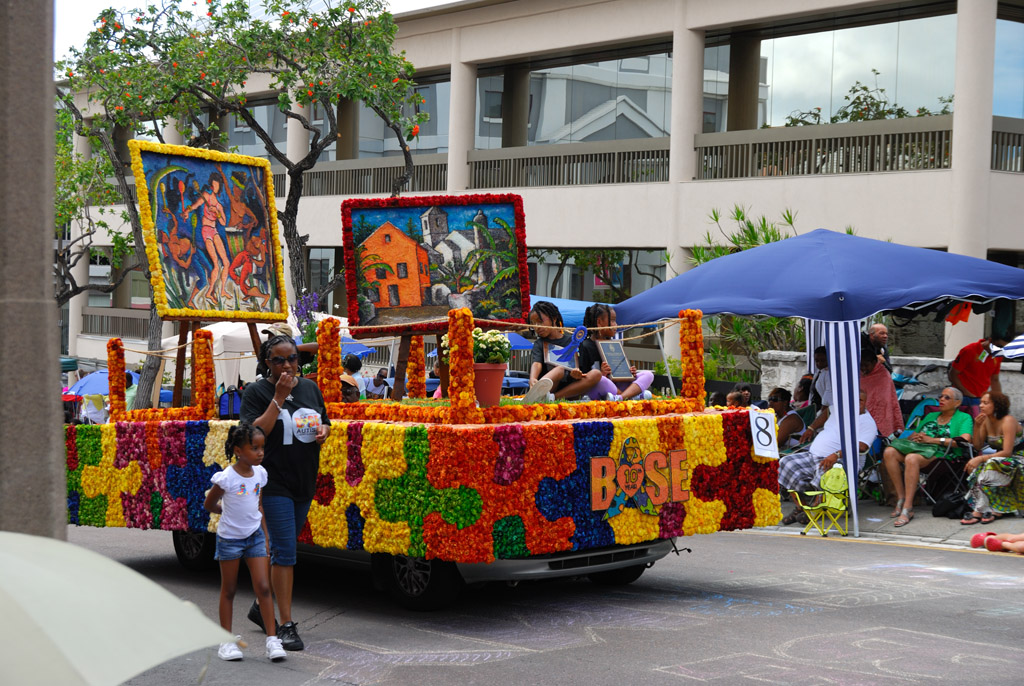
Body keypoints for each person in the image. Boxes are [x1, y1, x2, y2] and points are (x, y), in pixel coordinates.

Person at [241, 334, 331, 651]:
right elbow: (254, 434)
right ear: (267, 363)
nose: (288, 365)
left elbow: (325, 421)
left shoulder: (309, 388)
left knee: (284, 550)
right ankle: (286, 625)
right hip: (273, 481)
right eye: (279, 360)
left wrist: (323, 431)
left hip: (304, 479)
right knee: (286, 552)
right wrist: (278, 397)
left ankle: (258, 605)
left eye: (292, 358)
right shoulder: (256, 392)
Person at [203, 422, 286, 662]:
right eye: (254, 448)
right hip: (230, 539)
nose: (260, 452)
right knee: (229, 590)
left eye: (262, 447)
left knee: (263, 587)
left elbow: (258, 506)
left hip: (255, 537)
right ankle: (226, 641)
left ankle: (272, 640)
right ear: (238, 450)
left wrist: (266, 537)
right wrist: (227, 513)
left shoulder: (261, 474)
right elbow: (210, 504)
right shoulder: (226, 478)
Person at [778, 389, 876, 525]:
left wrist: (836, 455)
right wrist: (811, 428)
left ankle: (816, 510)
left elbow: (862, 447)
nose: (856, 403)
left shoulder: (867, 422)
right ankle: (800, 508)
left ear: (865, 402)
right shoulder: (839, 409)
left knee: (825, 469)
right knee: (786, 462)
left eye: (860, 400)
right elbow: (826, 412)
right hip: (814, 455)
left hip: (843, 461)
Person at [882, 386, 972, 528]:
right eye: (940, 397)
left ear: (957, 403)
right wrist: (916, 437)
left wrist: (933, 440)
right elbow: (914, 435)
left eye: (946, 397)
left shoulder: (963, 418)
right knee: (889, 452)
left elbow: (964, 440)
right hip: (920, 449)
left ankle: (908, 508)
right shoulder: (931, 416)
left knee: (911, 458)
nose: (941, 399)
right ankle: (900, 498)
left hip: (943, 454)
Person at [961, 391, 1024, 525]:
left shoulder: (1008, 421)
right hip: (1000, 459)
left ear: (996, 405)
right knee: (985, 465)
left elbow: (1007, 452)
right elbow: (977, 446)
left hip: (1019, 457)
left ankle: (978, 511)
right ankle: (994, 510)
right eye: (980, 403)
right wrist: (977, 426)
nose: (981, 406)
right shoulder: (985, 421)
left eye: (985, 403)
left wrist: (980, 459)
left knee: (989, 462)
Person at [527, 301, 602, 402]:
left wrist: (577, 373)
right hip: (548, 387)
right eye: (533, 324)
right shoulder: (539, 343)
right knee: (559, 369)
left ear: (554, 318)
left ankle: (553, 398)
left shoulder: (573, 340)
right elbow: (536, 363)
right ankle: (536, 395)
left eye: (540, 321)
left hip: (569, 388)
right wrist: (533, 378)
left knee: (596, 374)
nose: (537, 327)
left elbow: (580, 368)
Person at [578, 304, 654, 401]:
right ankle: (632, 395)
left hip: (616, 387)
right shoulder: (586, 345)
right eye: (612, 320)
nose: (616, 325)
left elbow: (620, 373)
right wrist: (601, 374)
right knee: (601, 380)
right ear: (599, 322)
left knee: (648, 374)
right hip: (602, 387)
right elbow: (583, 380)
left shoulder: (614, 344)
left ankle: (620, 397)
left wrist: (629, 373)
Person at [183, 173, 231, 307]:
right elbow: (195, 205)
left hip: (214, 230)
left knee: (225, 262)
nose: (215, 186)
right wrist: (187, 212)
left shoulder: (218, 204)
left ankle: (222, 291)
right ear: (211, 184)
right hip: (206, 231)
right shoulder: (206, 196)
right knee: (216, 262)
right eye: (214, 184)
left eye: (218, 184)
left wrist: (217, 213)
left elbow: (223, 221)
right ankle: (210, 292)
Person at [948, 334, 1008, 417]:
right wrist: (968, 393)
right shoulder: (969, 350)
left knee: (980, 426)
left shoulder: (998, 356)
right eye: (999, 346)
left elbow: (994, 380)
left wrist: (999, 401)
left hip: (980, 399)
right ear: (990, 341)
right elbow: (953, 374)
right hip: (963, 397)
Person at [859, 337, 903, 439]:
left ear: (874, 363)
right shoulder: (859, 374)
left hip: (879, 414)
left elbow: (882, 401)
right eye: (861, 365)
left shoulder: (883, 375)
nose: (863, 368)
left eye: (866, 365)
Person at [799, 347, 832, 442]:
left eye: (823, 360)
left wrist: (820, 416)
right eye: (817, 361)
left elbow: (827, 398)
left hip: (824, 411)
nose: (819, 363)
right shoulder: (820, 372)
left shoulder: (829, 374)